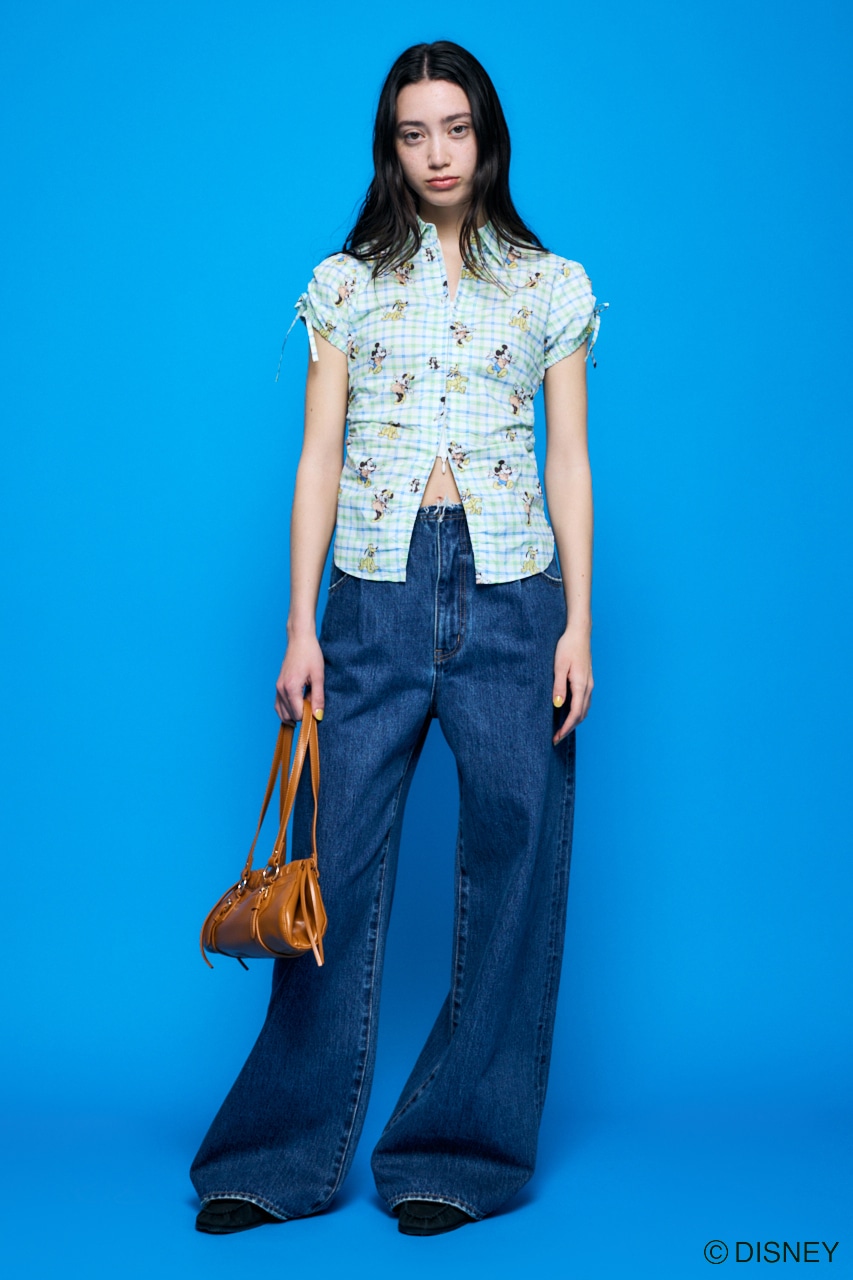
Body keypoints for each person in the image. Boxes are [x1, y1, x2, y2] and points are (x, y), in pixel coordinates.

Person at [190, 38, 607, 1238]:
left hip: (515, 596)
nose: (437, 153)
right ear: (390, 147)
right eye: (414, 132)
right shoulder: (345, 284)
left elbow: (568, 460)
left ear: (487, 138)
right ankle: (276, 1154)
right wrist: (298, 626)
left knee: (516, 857)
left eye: (455, 128)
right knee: (332, 865)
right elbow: (318, 455)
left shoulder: (551, 286)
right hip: (371, 597)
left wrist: (579, 623)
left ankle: (457, 1153)